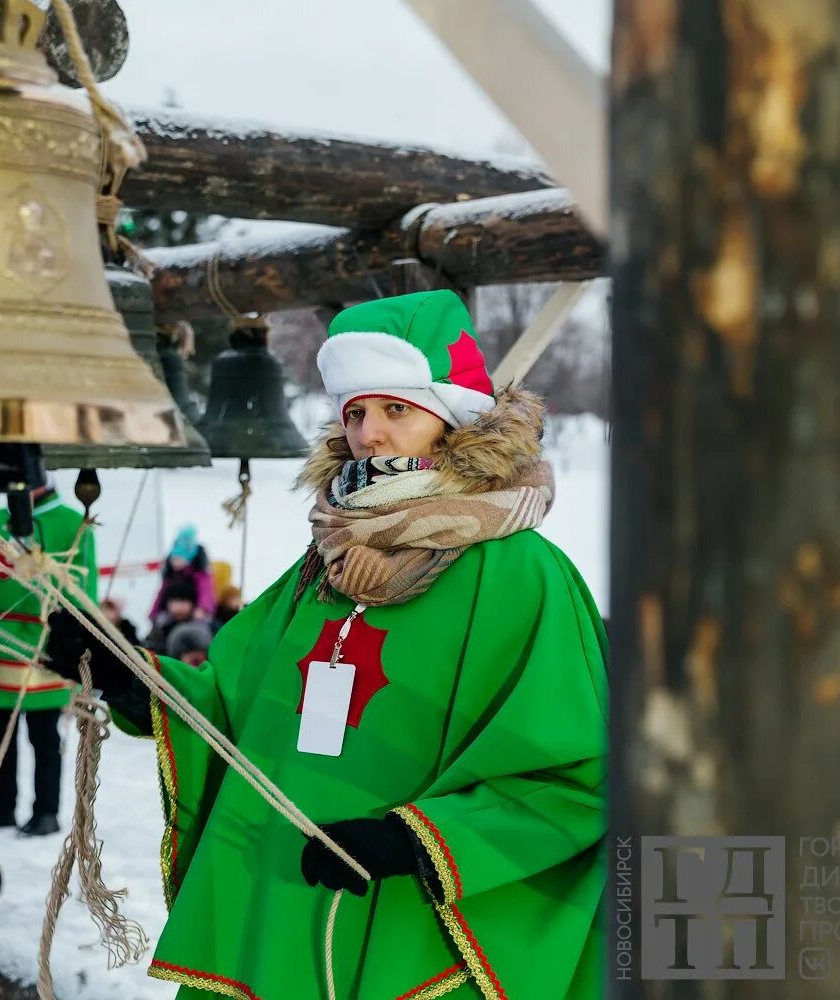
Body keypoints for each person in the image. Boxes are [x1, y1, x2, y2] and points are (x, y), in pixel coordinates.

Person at [45, 290, 607, 998]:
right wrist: (129, 675)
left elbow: (576, 775)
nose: (370, 434)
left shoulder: (521, 571)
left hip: (417, 923)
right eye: (356, 412)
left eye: (396, 409)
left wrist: (419, 842)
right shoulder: (325, 563)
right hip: (286, 889)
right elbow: (235, 708)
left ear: (453, 417)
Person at [0, 477, 96, 837]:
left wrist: (75, 640)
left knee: (44, 736)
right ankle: (1, 806)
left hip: (45, 641)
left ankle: (46, 811)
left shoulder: (73, 524)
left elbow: (83, 586)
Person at [148, 524, 215, 621]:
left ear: (188, 559)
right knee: (162, 621)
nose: (176, 563)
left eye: (179, 559)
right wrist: (154, 612)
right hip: (172, 614)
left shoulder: (200, 575)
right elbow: (161, 594)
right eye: (174, 559)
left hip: (193, 614)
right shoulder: (170, 575)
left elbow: (205, 592)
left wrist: (202, 608)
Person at [142, 577, 203, 655]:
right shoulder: (161, 627)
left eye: (183, 601)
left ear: (192, 604)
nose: (178, 607)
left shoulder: (200, 628)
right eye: (174, 602)